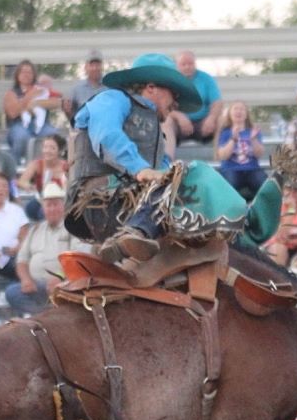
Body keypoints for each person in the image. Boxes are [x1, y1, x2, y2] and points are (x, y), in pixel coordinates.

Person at [67, 52, 281, 270]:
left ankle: (235, 236)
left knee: (183, 180)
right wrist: (140, 169)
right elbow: (107, 135)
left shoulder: (154, 133)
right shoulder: (112, 99)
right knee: (194, 173)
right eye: (174, 94)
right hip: (103, 200)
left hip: (130, 201)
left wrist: (154, 173)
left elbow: (161, 172)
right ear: (151, 87)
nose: (176, 103)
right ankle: (137, 231)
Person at [7, 183, 88, 316]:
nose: (52, 209)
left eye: (55, 204)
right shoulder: (35, 230)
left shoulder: (72, 228)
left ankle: (46, 315)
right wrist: (26, 279)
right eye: (48, 205)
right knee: (12, 292)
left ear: (63, 206)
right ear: (43, 208)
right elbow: (21, 260)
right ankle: (44, 315)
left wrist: (60, 278)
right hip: (37, 285)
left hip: (65, 284)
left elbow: (76, 258)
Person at [4, 59, 61, 163]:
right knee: (22, 136)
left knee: (53, 134)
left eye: (29, 72)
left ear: (34, 75)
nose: (26, 74)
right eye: (23, 72)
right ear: (17, 75)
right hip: (19, 125)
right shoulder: (11, 93)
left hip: (42, 125)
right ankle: (14, 168)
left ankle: (50, 167)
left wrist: (35, 103)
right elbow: (13, 113)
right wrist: (30, 96)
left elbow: (56, 102)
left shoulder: (41, 89)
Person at [165, 51, 223, 145]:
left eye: (190, 63)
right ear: (176, 65)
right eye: (183, 64)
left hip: (203, 124)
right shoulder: (170, 81)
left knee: (221, 121)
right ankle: (167, 157)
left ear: (195, 64)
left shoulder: (206, 79)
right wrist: (179, 116)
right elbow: (163, 106)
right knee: (166, 121)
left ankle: (221, 156)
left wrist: (211, 118)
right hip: (179, 125)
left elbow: (217, 102)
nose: (187, 67)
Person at [216, 101, 267, 200]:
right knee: (228, 187)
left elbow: (259, 154)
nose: (239, 112)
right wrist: (233, 139)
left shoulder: (254, 131)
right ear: (230, 114)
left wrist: (253, 139)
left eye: (242, 109)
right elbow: (222, 156)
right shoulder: (224, 132)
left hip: (252, 169)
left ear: (246, 115)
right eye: (235, 109)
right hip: (231, 169)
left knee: (265, 186)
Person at [262, 182, 297, 268]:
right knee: (278, 250)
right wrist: (291, 209)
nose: (292, 193)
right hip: (278, 243)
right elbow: (280, 236)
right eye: (289, 189)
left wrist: (292, 242)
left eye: (296, 190)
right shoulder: (275, 203)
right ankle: (278, 279)